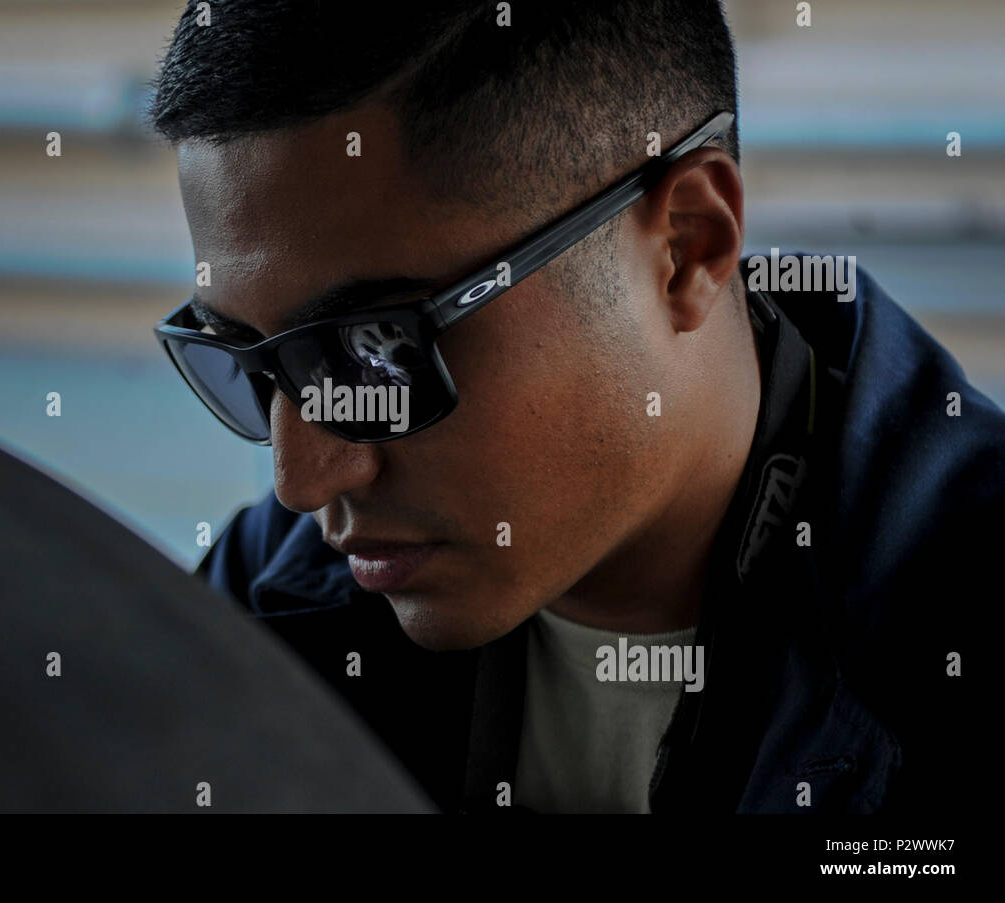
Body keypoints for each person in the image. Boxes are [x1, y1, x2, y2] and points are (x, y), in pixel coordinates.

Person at [146, 0, 999, 813]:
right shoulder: (274, 597)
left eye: (379, 349)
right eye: (250, 363)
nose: (302, 479)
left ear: (686, 248)